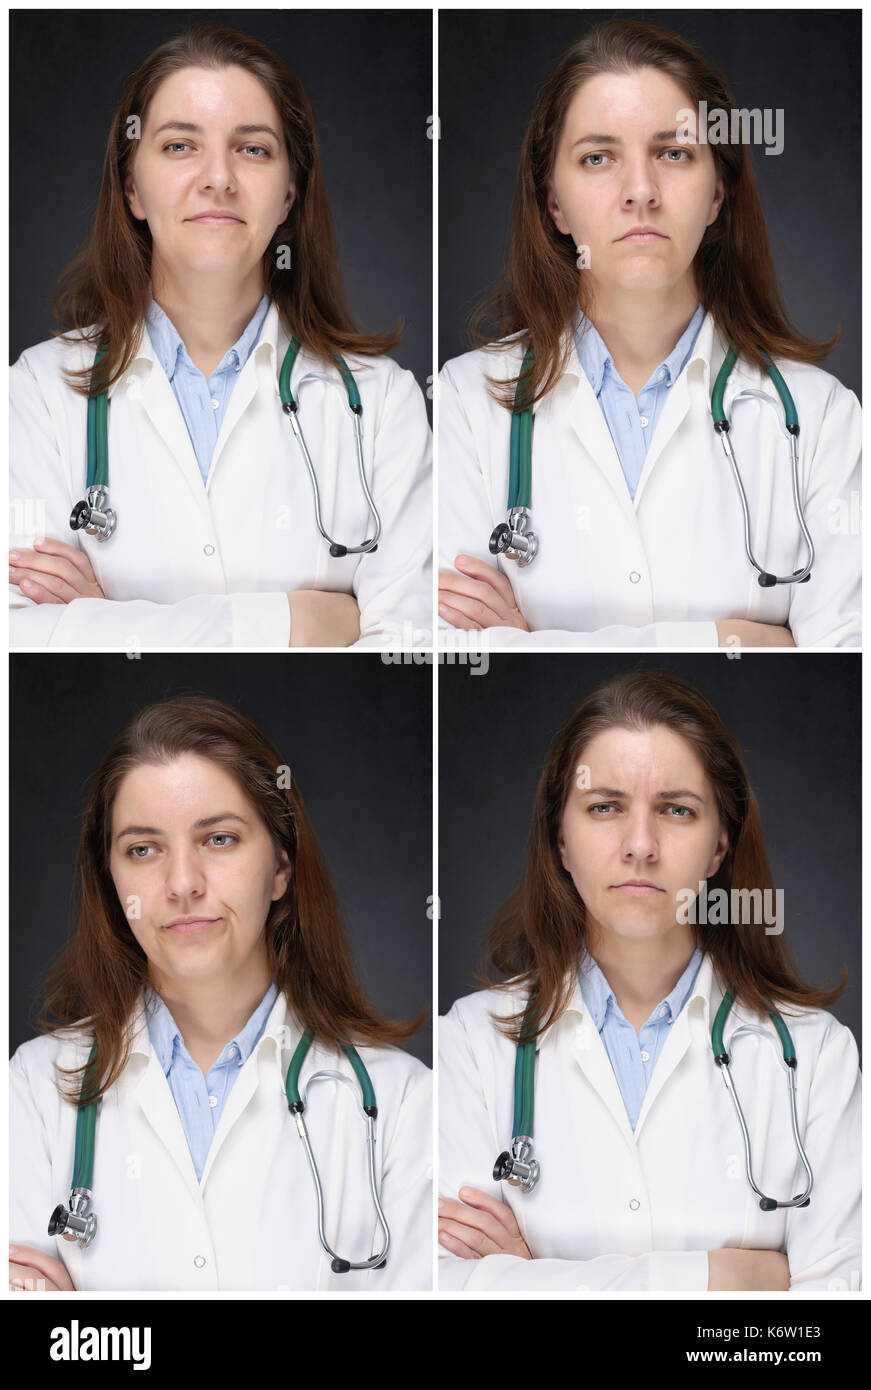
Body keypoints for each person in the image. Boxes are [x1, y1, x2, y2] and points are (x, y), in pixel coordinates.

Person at [438, 19, 860, 648]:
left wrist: (530, 640)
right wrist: (760, 639)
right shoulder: (466, 400)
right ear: (553, 203)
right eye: (598, 158)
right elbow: (451, 644)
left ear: (717, 193)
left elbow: (853, 657)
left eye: (674, 153)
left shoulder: (822, 417)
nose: (641, 192)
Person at [10, 23, 431, 650]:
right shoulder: (37, 393)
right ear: (132, 189)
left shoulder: (384, 401)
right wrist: (305, 620)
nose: (219, 179)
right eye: (180, 146)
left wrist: (101, 620)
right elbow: (15, 633)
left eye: (253, 149)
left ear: (289, 194)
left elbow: (410, 645)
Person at [438, 671, 860, 1291]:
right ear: (560, 838)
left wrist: (538, 1279)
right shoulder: (471, 1045)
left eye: (677, 810)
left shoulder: (817, 1055)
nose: (640, 846)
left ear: (719, 848)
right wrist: (729, 1277)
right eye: (604, 806)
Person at [10, 695, 431, 1291]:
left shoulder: (403, 1103)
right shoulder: (31, 1089)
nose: (182, 884)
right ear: (110, 882)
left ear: (281, 867)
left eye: (219, 839)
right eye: (142, 850)